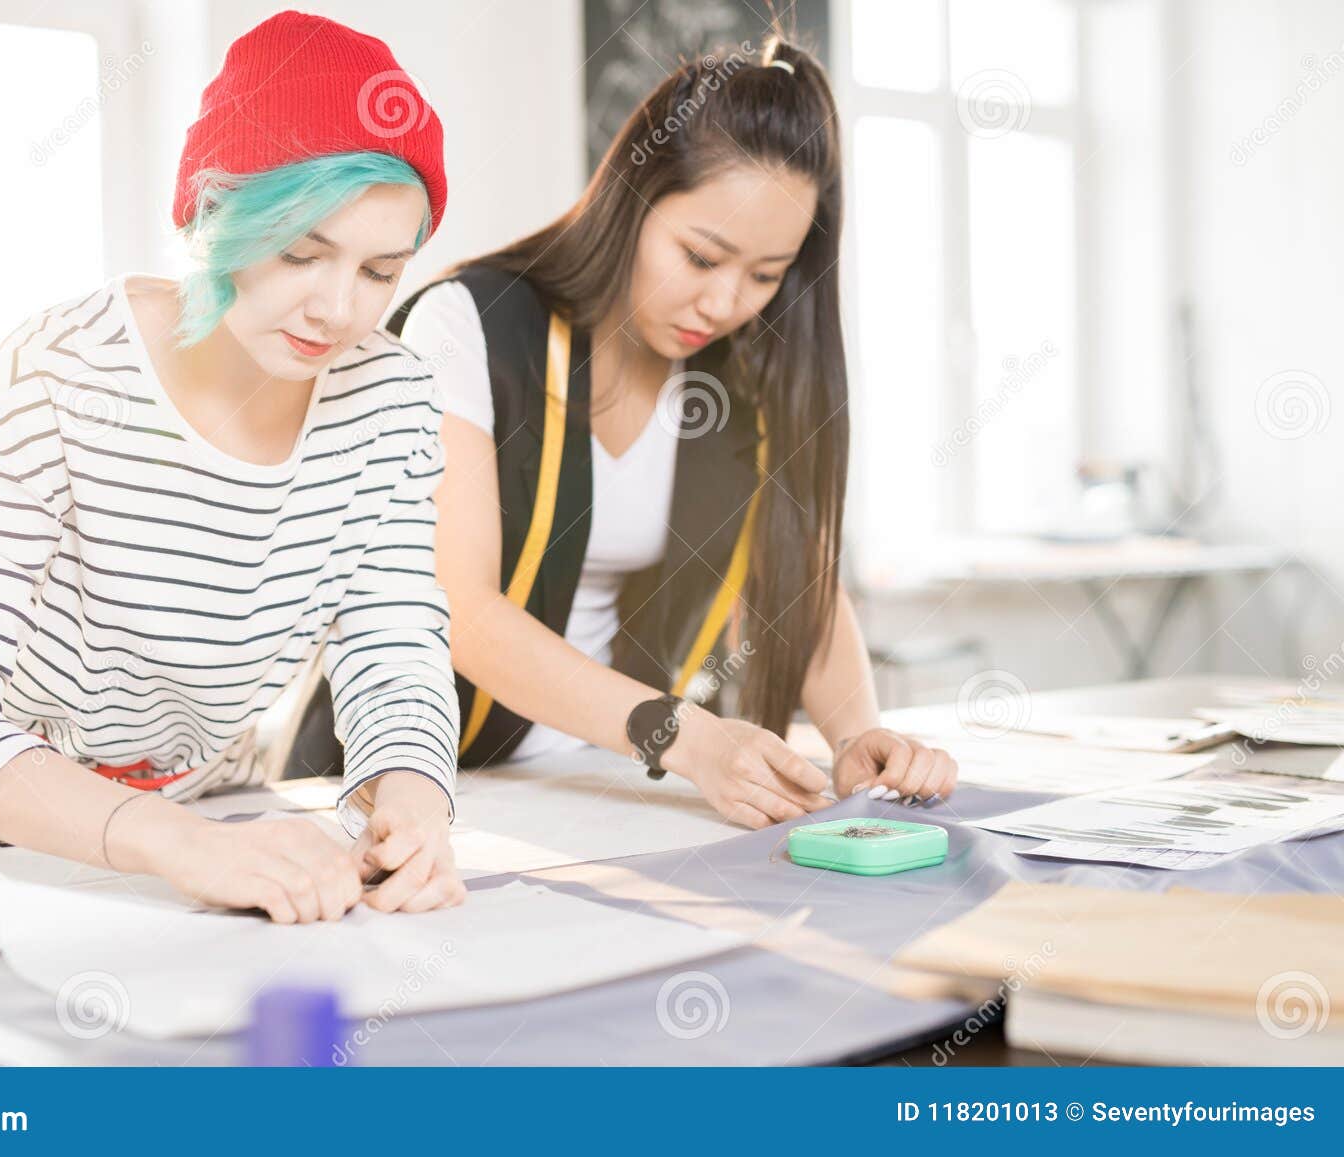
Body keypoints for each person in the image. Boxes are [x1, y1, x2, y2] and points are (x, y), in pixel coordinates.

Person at [0, 11, 464, 920]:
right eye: (301, 251)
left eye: (380, 271)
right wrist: (171, 841)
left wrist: (412, 802)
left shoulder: (392, 398)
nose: (336, 308)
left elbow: (394, 642)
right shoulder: (53, 375)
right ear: (214, 213)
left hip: (196, 859)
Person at [293, 34, 957, 829]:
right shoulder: (469, 323)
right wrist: (683, 734)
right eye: (702, 256)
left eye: (766, 275)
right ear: (632, 198)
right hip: (414, 788)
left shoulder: (739, 375)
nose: (725, 302)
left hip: (598, 790)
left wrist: (859, 735)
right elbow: (458, 609)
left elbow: (799, 577)